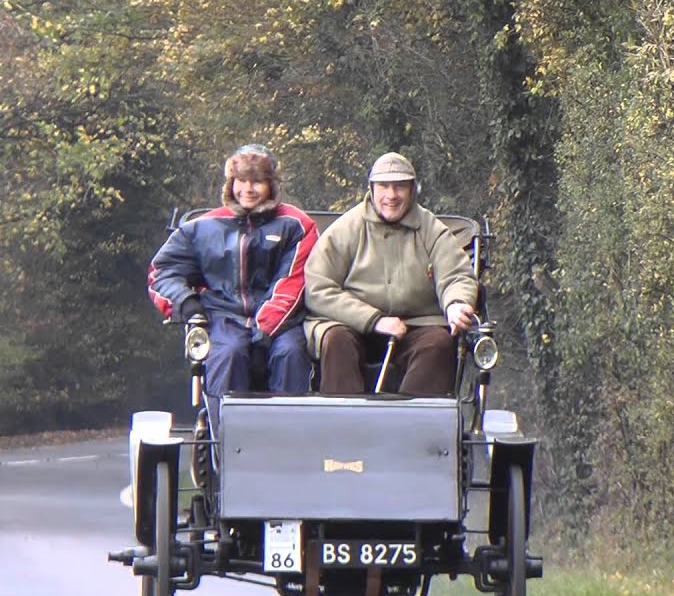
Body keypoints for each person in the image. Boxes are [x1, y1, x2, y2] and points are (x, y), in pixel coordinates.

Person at [147, 144, 319, 407]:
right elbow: (161, 273)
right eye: (241, 181)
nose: (248, 189)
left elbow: (293, 282)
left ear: (271, 184)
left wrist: (265, 327)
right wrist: (186, 302)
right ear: (231, 183)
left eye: (257, 181)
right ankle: (227, 441)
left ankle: (289, 441)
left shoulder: (297, 225)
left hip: (284, 325)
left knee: (291, 353)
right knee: (227, 353)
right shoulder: (202, 227)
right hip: (223, 319)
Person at [304, 152, 478, 396]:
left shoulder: (432, 229)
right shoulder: (345, 229)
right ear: (371, 190)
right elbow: (319, 288)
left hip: (416, 325)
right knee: (335, 340)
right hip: (350, 325)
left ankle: (412, 427)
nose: (391, 195)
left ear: (412, 190)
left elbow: (456, 275)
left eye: (400, 187)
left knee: (438, 343)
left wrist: (456, 304)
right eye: (383, 186)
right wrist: (374, 320)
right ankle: (343, 426)